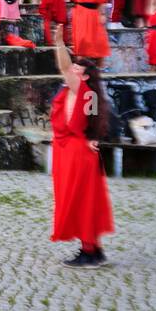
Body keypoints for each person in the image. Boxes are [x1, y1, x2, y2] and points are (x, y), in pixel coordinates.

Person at [50, 34, 115, 269]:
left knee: (79, 201)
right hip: (74, 151)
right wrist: (94, 138)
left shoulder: (81, 88)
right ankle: (93, 249)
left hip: (75, 153)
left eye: (77, 68)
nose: (71, 70)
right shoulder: (89, 93)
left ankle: (89, 252)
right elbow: (97, 122)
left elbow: (64, 65)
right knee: (86, 201)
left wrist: (58, 43)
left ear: (84, 76)